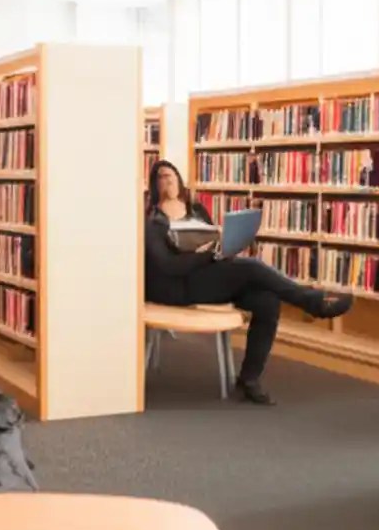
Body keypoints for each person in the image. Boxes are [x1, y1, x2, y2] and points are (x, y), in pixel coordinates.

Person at [144, 160, 354, 405]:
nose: (167, 180)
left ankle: (249, 380)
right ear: (154, 185)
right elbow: (169, 266)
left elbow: (213, 245)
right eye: (161, 177)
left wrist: (224, 247)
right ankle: (313, 302)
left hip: (207, 277)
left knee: (267, 301)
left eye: (171, 175)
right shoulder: (153, 221)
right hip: (178, 287)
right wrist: (205, 255)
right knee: (253, 267)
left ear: (180, 180)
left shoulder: (197, 210)